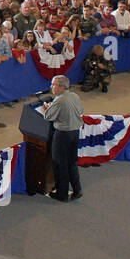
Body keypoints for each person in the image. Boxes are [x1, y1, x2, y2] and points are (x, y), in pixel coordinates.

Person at [41, 75, 83, 203]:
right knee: (72, 163)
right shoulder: (75, 96)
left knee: (60, 164)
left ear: (62, 87)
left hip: (62, 135)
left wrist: (46, 109)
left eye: (53, 85)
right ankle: (77, 190)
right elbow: (80, 110)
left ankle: (62, 194)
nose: (51, 87)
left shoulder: (59, 101)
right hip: (75, 133)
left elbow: (48, 117)